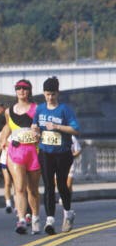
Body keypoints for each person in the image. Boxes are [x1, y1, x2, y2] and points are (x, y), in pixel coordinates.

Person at [31, 77, 80, 233]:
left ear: (57, 93)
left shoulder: (65, 109)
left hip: (63, 153)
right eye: (47, 94)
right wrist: (35, 131)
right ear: (43, 94)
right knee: (48, 185)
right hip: (45, 152)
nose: (50, 97)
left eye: (52, 94)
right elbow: (35, 125)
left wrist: (57, 126)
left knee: (61, 184)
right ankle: (50, 220)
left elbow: (75, 129)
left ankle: (68, 213)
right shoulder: (39, 109)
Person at [0, 79, 42, 235]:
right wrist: (3, 140)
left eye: (24, 88)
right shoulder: (9, 111)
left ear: (29, 91)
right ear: (15, 91)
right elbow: (7, 127)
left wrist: (37, 133)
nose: (21, 91)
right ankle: (22, 219)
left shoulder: (37, 109)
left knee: (33, 190)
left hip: (33, 152)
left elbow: (41, 128)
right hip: (16, 151)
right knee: (19, 187)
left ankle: (35, 218)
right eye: (18, 88)